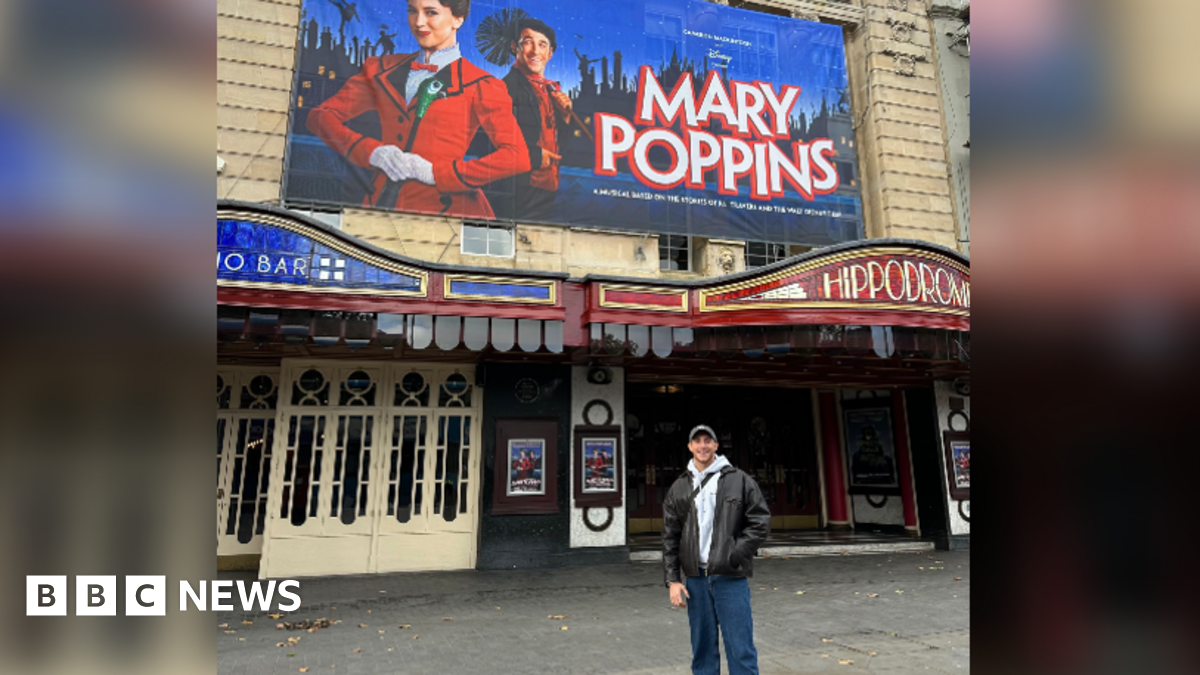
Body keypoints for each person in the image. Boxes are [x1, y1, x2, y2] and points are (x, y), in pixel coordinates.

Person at [307, 0, 530, 218]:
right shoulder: (379, 68)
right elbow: (320, 117)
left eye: (431, 12)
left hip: (450, 213)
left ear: (458, 19)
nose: (419, 22)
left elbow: (517, 156)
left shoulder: (482, 85)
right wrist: (373, 152)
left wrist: (437, 173)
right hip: (379, 204)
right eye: (413, 11)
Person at [663, 424, 770, 675]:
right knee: (702, 650)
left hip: (729, 577)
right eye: (697, 441)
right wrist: (672, 580)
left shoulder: (740, 480)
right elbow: (670, 536)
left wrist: (735, 553)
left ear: (716, 446)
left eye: (708, 441)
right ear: (690, 447)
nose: (703, 446)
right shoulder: (679, 487)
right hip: (695, 580)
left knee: (740, 648)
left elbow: (760, 521)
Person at [496, 17, 573, 221]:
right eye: (528, 42)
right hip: (518, 187)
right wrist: (536, 155)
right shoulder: (503, 88)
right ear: (515, 47)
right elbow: (490, 140)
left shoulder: (552, 91)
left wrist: (565, 116)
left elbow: (562, 147)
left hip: (550, 188)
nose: (535, 51)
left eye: (542, 45)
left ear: (550, 53)